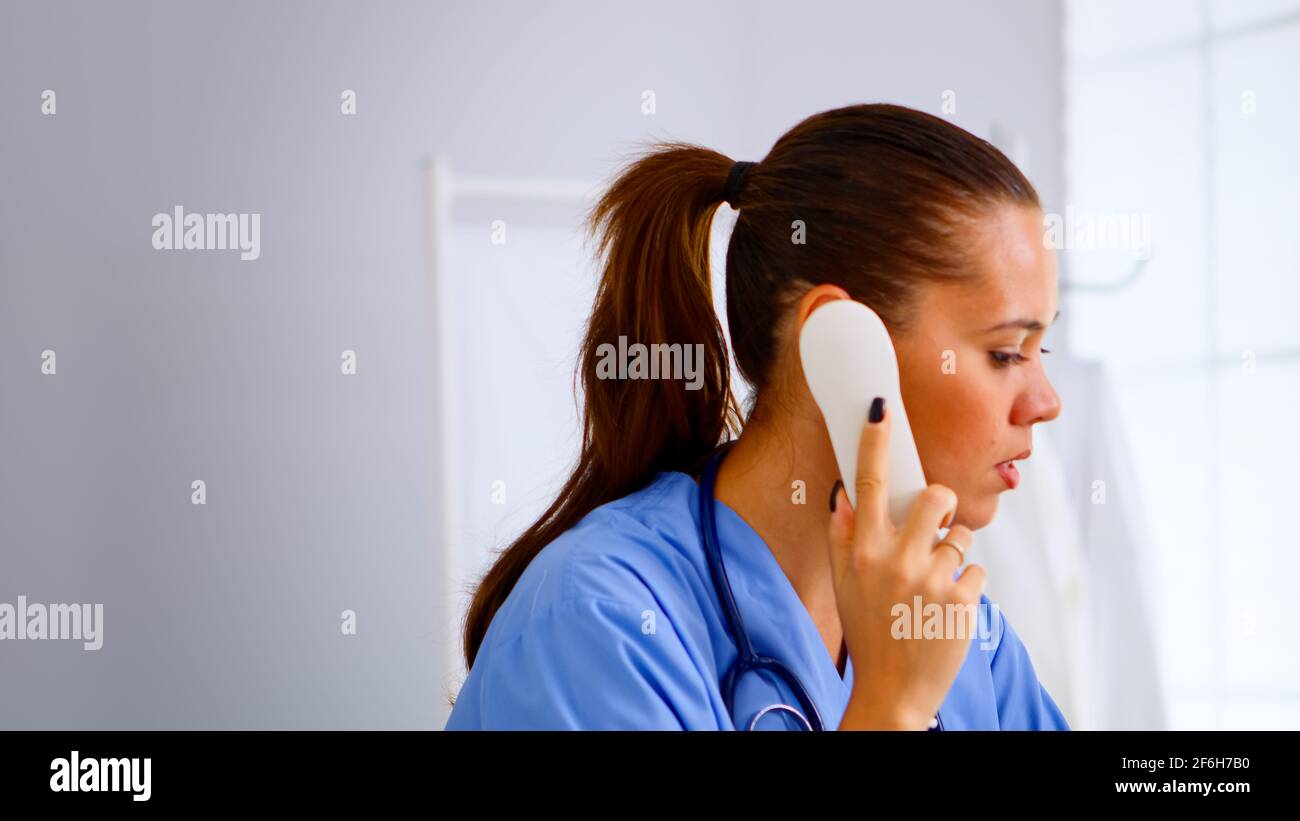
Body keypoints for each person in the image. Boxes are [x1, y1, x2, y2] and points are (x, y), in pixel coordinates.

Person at [445, 103, 1068, 730]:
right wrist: (891, 706)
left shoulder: (959, 632)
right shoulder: (596, 620)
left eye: (1041, 350)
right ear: (839, 341)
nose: (1047, 403)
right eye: (1005, 353)